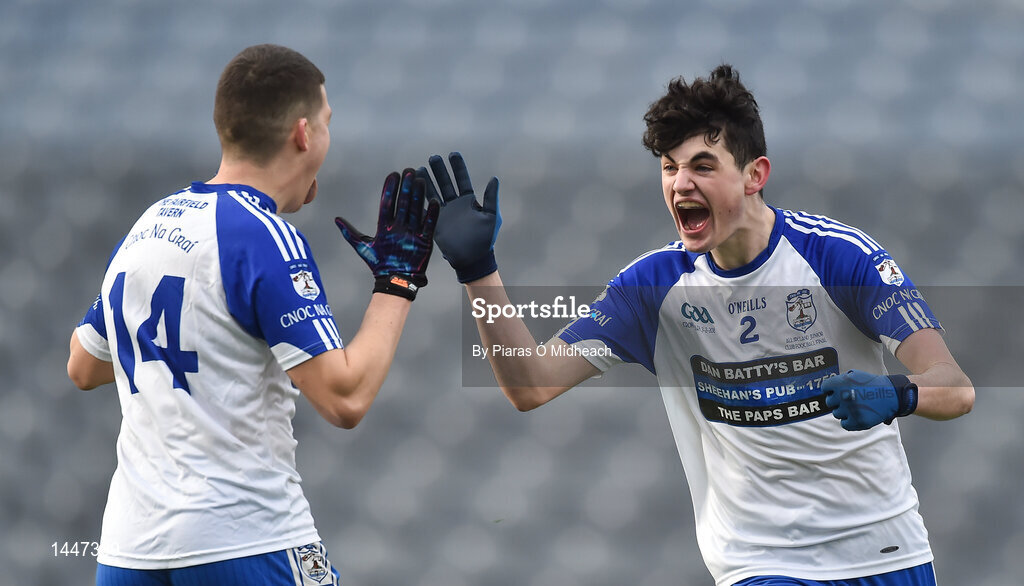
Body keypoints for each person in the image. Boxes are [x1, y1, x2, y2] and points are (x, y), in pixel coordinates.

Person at [417, 64, 974, 585]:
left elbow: (955, 385)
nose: (680, 183)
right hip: (760, 559)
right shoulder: (652, 287)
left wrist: (897, 392)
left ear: (756, 175)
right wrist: (478, 272)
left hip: (886, 552)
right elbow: (530, 384)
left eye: (702, 166)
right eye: (669, 167)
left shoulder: (839, 257)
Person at [66, 44, 438, 585]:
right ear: (304, 134)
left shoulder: (147, 226)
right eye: (328, 123)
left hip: (129, 550)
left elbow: (84, 365)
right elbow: (344, 397)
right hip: (244, 539)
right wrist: (398, 282)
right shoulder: (260, 235)